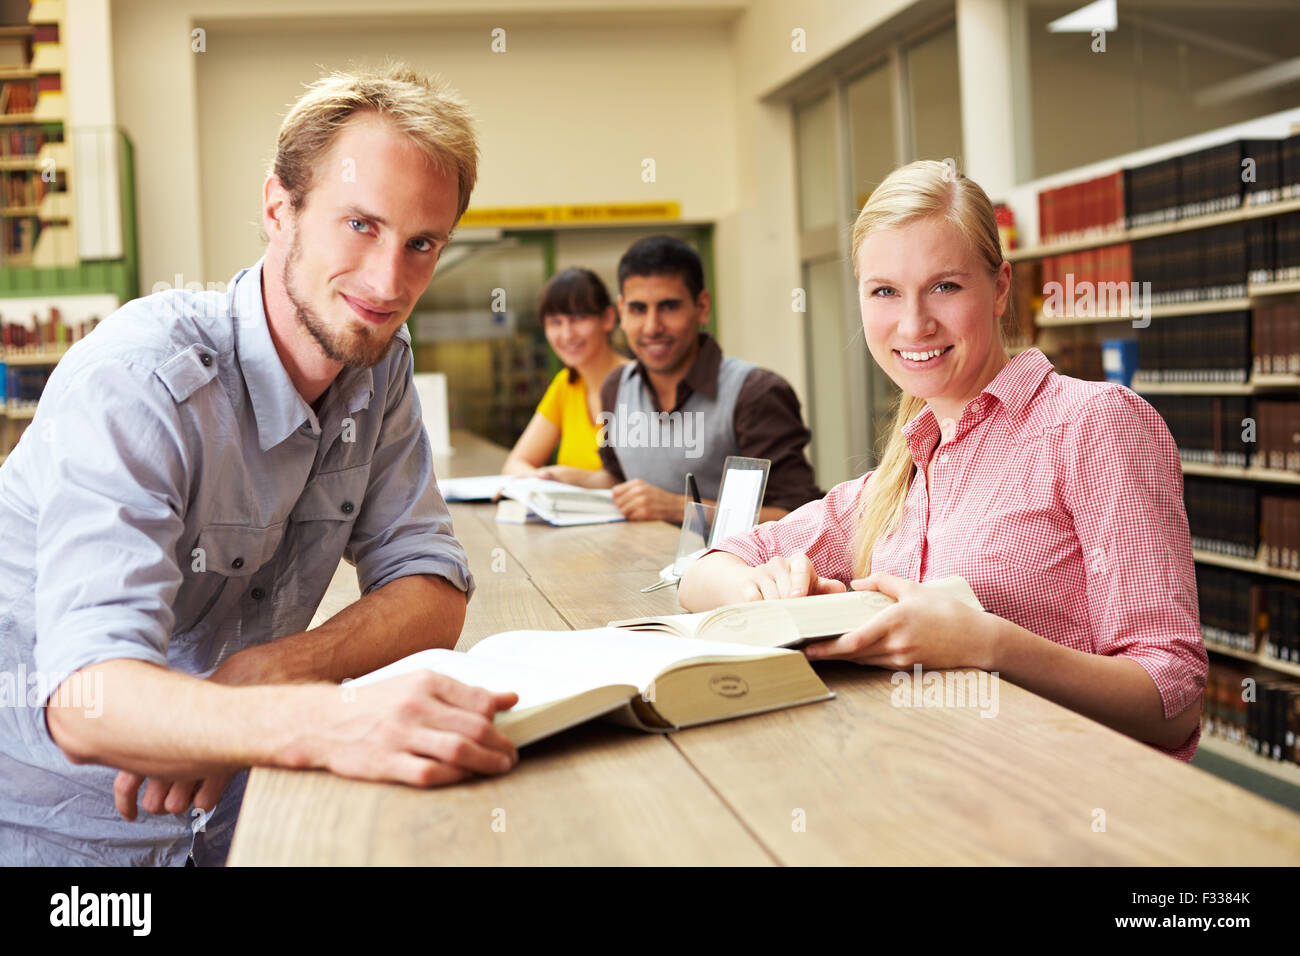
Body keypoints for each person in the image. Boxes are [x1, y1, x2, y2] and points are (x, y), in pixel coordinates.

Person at [0, 66, 523, 866]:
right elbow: (87, 700)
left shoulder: (376, 357)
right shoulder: (139, 382)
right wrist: (329, 718)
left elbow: (431, 587)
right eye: (360, 225)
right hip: (62, 834)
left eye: (423, 243)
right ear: (280, 209)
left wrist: (274, 671)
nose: (389, 283)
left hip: (241, 805)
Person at [678, 160, 1207, 761]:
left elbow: (1173, 700)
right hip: (930, 787)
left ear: (1001, 287)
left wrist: (987, 644)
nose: (913, 323)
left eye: (945, 286)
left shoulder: (1094, 424)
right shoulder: (902, 470)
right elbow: (701, 571)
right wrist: (766, 594)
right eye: (885, 291)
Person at [564, 235, 822, 522]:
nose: (652, 327)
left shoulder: (755, 393)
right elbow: (618, 478)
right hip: (634, 564)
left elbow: (798, 517)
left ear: (702, 306)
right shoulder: (616, 387)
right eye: (638, 309)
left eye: (669, 306)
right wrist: (559, 480)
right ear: (622, 311)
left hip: (729, 567)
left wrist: (680, 507)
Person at [501, 268, 627, 482]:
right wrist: (545, 479)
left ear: (608, 318)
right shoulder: (566, 385)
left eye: (579, 318)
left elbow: (645, 481)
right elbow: (515, 463)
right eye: (555, 322)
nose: (567, 335)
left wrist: (570, 478)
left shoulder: (639, 382)